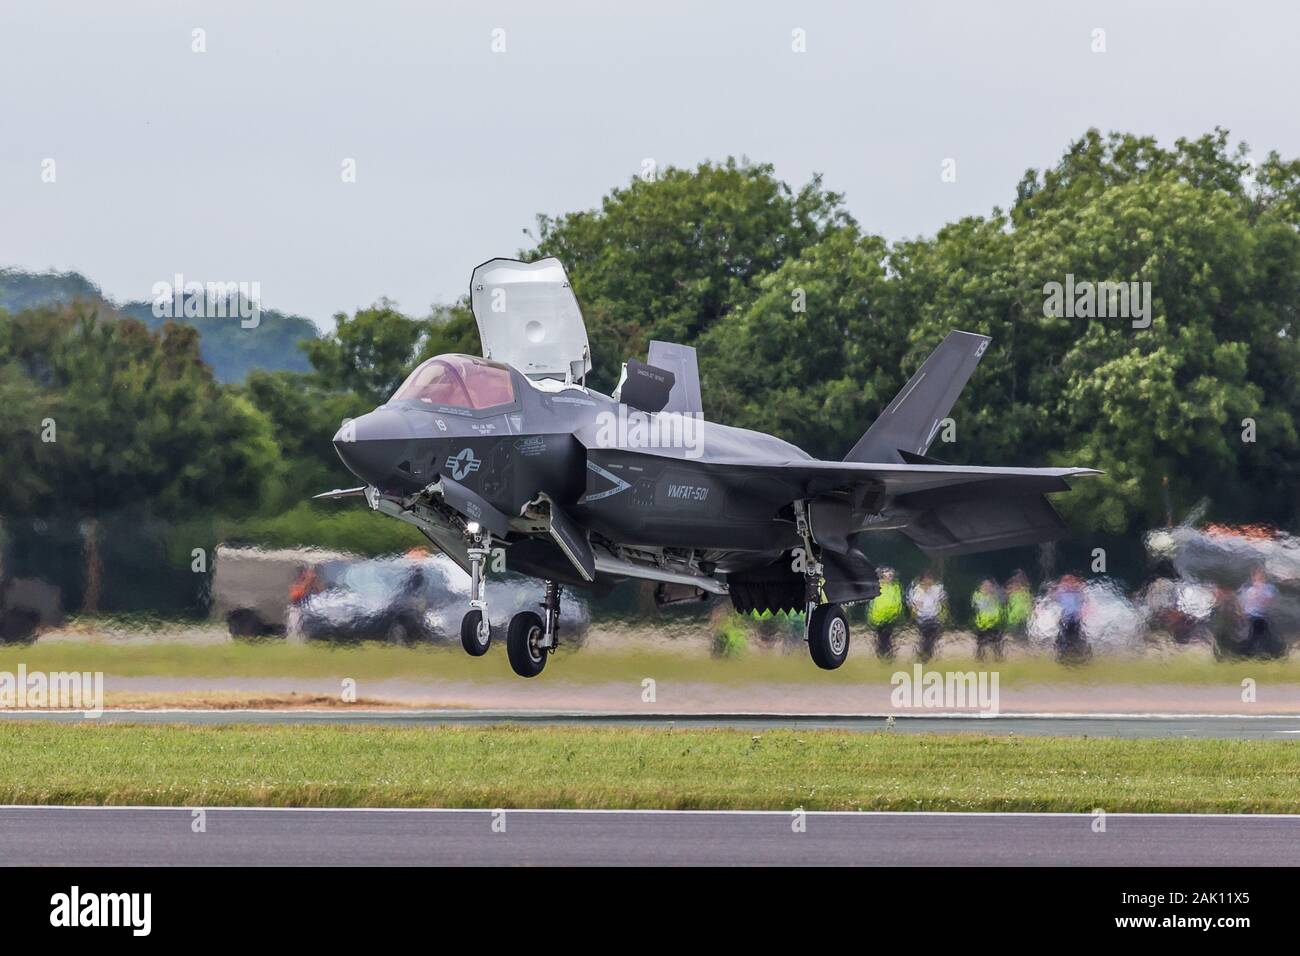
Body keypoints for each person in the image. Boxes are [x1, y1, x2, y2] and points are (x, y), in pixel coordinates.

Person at [1237, 568, 1282, 658]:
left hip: (1263, 615)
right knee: (1258, 635)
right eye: (1257, 576)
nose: (1260, 577)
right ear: (1254, 577)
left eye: (1261, 575)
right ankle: (1247, 652)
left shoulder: (1269, 588)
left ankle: (1247, 652)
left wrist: (1261, 593)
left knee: (1260, 635)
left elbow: (1269, 601)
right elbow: (1247, 604)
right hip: (1254, 615)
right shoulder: (1251, 590)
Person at [907, 572, 947, 662]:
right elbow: (915, 605)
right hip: (922, 619)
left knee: (931, 638)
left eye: (930, 581)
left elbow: (943, 600)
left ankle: (926, 654)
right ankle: (924, 655)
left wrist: (942, 614)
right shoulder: (917, 591)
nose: (928, 583)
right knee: (926, 638)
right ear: (921, 582)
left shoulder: (937, 589)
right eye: (925, 581)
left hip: (934, 618)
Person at [867, 567, 904, 659]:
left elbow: (898, 601)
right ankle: (883, 655)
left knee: (887, 638)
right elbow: (873, 603)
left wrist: (896, 613)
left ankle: (887, 655)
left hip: (891, 617)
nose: (889, 578)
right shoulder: (877, 586)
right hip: (878, 617)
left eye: (890, 576)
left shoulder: (895, 587)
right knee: (882, 638)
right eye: (886, 576)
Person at [1052, 574, 1089, 663]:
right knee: (1063, 640)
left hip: (1075, 620)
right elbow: (1052, 597)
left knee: (1077, 639)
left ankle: (1079, 658)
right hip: (1065, 620)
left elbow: (1084, 595)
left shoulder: (1078, 592)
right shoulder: (1061, 592)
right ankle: (1064, 658)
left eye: (1071, 580)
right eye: (1066, 580)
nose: (1069, 583)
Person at [970, 579, 1005, 661]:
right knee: (981, 644)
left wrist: (994, 592)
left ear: (992, 587)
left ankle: (998, 659)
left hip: (995, 624)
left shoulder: (996, 596)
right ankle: (979, 659)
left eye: (989, 586)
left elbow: (1003, 599)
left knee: (996, 644)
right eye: (985, 585)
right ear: (981, 586)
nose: (987, 587)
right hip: (982, 624)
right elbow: (975, 605)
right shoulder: (977, 595)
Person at [1004, 570, 1033, 642]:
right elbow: (1006, 601)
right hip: (1014, 617)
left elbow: (1029, 602)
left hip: (1023, 617)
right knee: (1013, 635)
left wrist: (1030, 611)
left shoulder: (1025, 591)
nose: (1019, 581)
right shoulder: (1011, 591)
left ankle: (1022, 646)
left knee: (1022, 635)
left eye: (1020, 578)